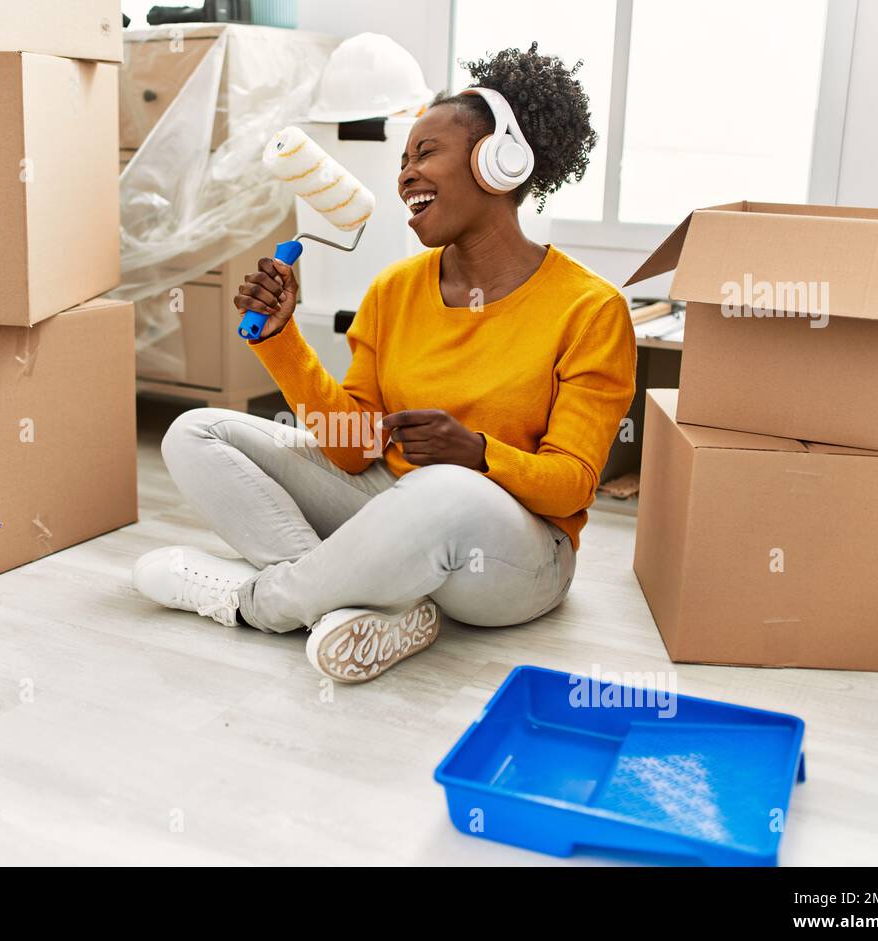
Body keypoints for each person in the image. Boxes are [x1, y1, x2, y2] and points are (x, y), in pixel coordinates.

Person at [134, 42, 636, 684]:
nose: (405, 175)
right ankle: (344, 610)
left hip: (519, 558)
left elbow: (572, 485)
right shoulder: (393, 289)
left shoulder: (591, 309)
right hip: (390, 502)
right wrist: (281, 338)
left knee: (446, 487)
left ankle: (258, 603)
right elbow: (353, 449)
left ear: (498, 163)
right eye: (402, 161)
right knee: (195, 431)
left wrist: (477, 454)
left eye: (426, 154)